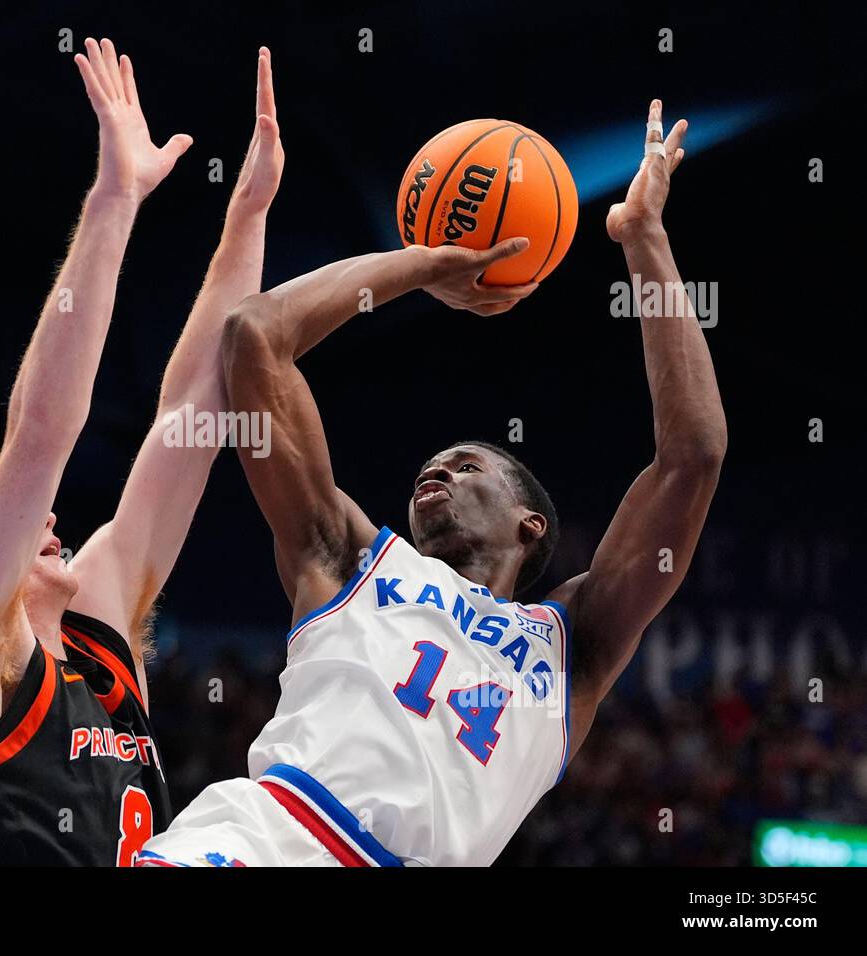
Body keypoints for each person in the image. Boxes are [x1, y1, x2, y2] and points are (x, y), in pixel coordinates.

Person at [139, 100, 725, 867]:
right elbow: (256, 336)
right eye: (430, 466)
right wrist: (420, 266)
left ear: (530, 523)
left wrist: (645, 239)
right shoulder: (350, 556)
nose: (436, 471)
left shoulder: (571, 646)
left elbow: (694, 456)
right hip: (262, 842)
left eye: (467, 464)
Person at [0, 40, 284, 865]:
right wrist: (115, 197)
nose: (44, 513)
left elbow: (195, 413)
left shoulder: (98, 638)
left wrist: (249, 218)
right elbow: (43, 435)